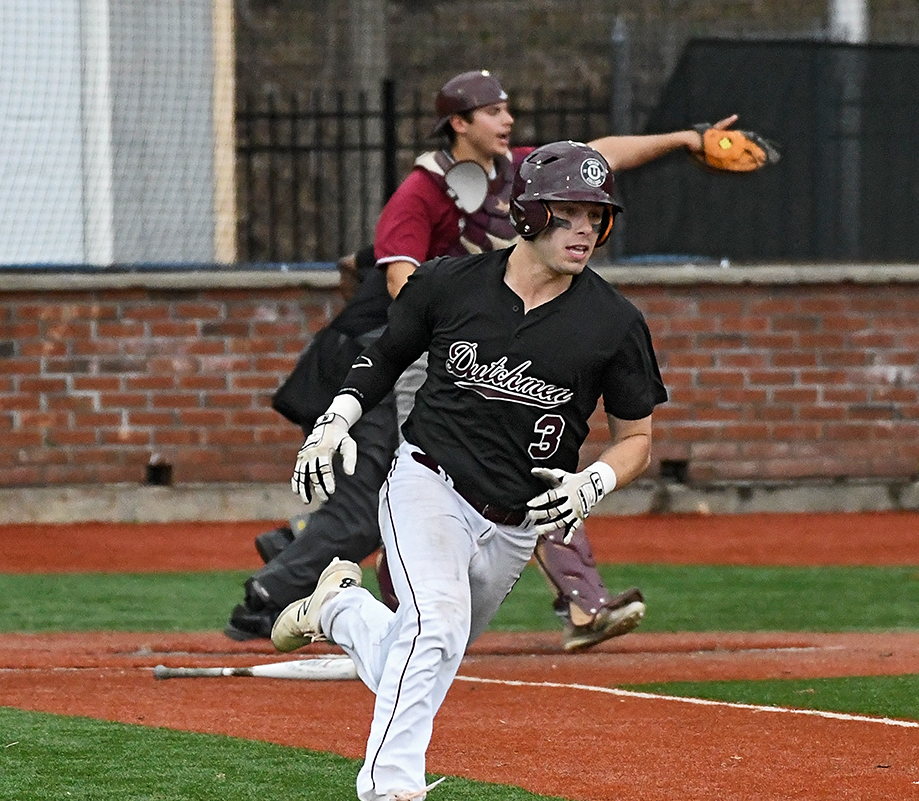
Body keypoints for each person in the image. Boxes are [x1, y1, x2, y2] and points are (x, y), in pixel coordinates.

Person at [229, 69, 737, 651]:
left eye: (507, 108)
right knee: (411, 485)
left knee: (517, 463)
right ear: (458, 123)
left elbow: (601, 156)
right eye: (493, 111)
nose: (508, 119)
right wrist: (482, 311)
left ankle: (337, 588)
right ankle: (295, 588)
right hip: (415, 349)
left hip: (486, 340)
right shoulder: (422, 191)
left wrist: (686, 139)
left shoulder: (521, 174)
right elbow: (401, 290)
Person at [274, 142, 666, 801]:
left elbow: (637, 439)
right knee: (436, 629)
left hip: (517, 523)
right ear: (529, 214)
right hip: (428, 483)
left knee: (421, 654)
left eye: (597, 216)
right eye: (569, 213)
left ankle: (339, 610)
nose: (585, 229)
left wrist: (593, 483)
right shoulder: (450, 283)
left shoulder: (613, 322)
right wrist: (336, 420)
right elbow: (385, 355)